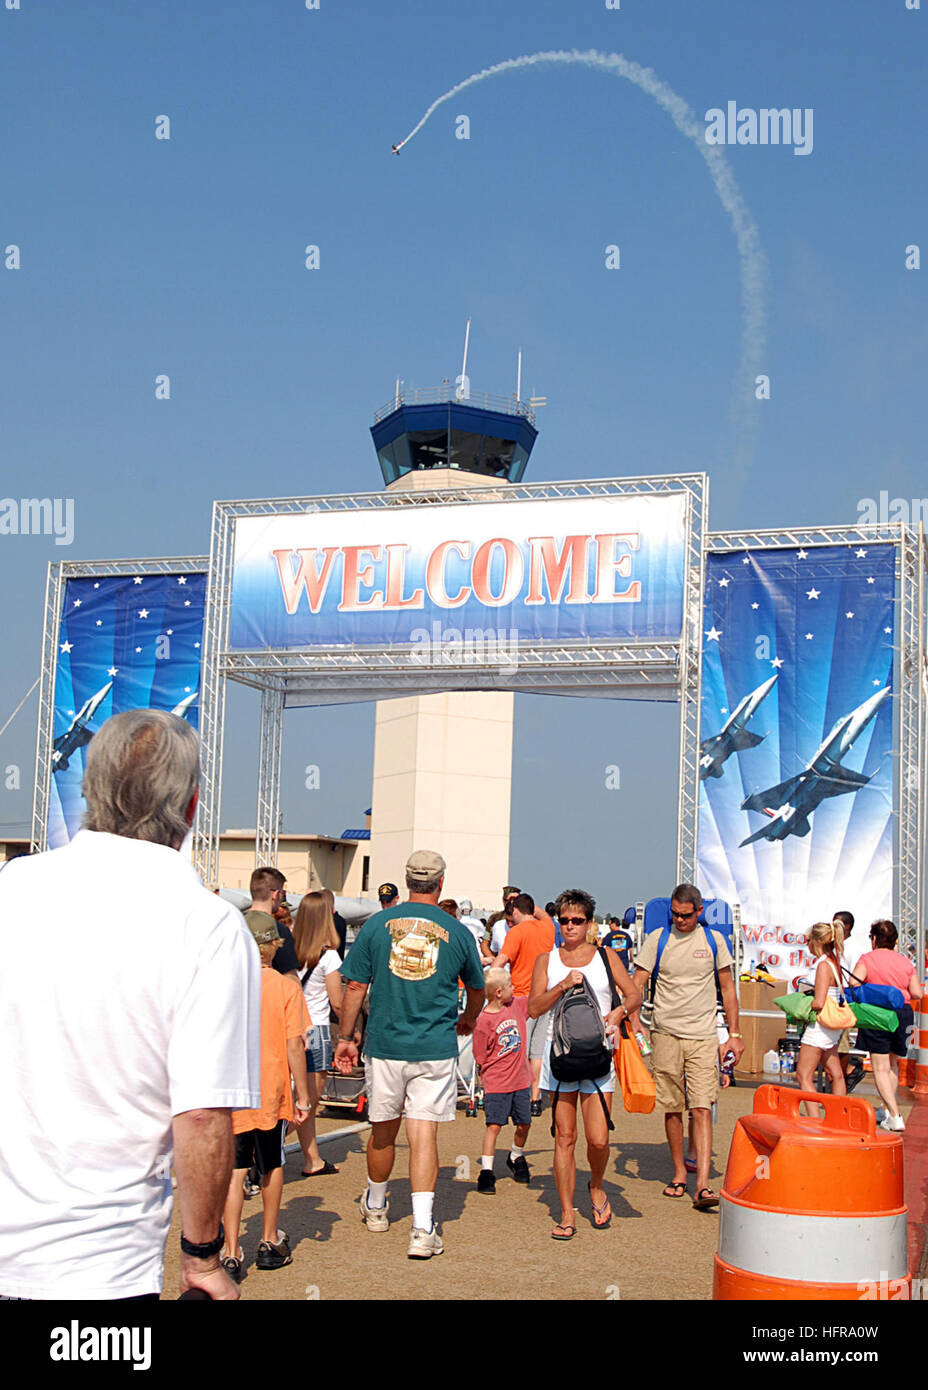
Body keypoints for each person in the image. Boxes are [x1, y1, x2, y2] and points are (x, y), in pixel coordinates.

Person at [0, 709, 261, 1301]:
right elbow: (201, 1115)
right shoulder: (208, 925)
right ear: (192, 807)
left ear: (90, 790)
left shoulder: (12, 887)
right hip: (97, 1265)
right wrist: (201, 1256)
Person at [334, 850, 486, 1258]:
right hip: (433, 1045)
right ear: (441, 883)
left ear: (406, 880)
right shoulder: (457, 931)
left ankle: (378, 1205)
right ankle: (421, 1227)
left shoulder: (378, 925)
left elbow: (354, 986)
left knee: (383, 1129)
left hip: (385, 1043)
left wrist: (346, 1035)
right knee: (423, 1134)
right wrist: (469, 1018)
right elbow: (477, 988)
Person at [529, 889, 640, 1239]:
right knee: (564, 1136)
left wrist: (621, 1011)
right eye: (564, 920)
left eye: (577, 920)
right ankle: (566, 1213)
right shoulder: (547, 960)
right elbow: (533, 1007)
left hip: (597, 1058)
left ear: (590, 923)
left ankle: (595, 1184)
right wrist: (562, 985)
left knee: (599, 1138)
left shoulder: (605, 956)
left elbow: (634, 992)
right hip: (559, 1058)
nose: (570, 927)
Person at [633, 884, 743, 1212]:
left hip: (703, 1035)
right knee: (672, 1106)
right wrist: (634, 1020)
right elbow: (637, 983)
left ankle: (703, 1185)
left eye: (686, 915)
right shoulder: (658, 939)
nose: (679, 920)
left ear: (699, 912)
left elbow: (728, 988)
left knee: (702, 1107)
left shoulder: (714, 941)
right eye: (675, 914)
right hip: (665, 1033)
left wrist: (734, 1034)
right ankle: (679, 1172)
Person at [221, 916, 312, 1279]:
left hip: (231, 1089)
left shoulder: (226, 983)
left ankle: (230, 1250)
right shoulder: (286, 987)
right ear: (273, 945)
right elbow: (294, 1045)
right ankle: (269, 1239)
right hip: (270, 1089)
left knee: (234, 1169)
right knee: (272, 1163)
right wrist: (303, 1095)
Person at [851, 919, 923, 1131]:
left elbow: (855, 982)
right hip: (903, 1013)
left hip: (877, 1014)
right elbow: (917, 992)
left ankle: (894, 1114)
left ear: (874, 939)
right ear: (895, 941)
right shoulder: (905, 962)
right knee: (891, 1065)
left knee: (880, 1067)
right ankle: (886, 1108)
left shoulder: (868, 958)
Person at [291, 890, 345, 1176]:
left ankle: (312, 1158)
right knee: (308, 1102)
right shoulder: (330, 956)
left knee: (298, 1098)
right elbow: (337, 1001)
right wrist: (351, 1030)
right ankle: (259, 1152)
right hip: (318, 1030)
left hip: (291, 1027)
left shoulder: (289, 950)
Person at [472, 967, 533, 1193]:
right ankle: (486, 1171)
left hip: (520, 1079)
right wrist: (490, 1068)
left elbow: (536, 997)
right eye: (509, 986)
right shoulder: (484, 1020)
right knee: (494, 1125)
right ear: (498, 992)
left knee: (524, 1123)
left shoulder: (516, 1005)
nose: (513, 988)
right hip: (497, 1082)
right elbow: (479, 1054)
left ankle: (516, 1155)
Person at [497, 893, 557, 1116]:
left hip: (522, 997)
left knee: (518, 1051)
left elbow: (501, 961)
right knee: (537, 1053)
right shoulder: (547, 928)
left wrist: (492, 982)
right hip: (545, 996)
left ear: (514, 911)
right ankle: (535, 1098)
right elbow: (541, 914)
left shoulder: (516, 932)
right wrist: (524, 901)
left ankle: (519, 1097)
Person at [794, 920, 848, 1099]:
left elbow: (819, 1002)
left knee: (804, 1075)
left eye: (808, 939)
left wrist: (797, 1005)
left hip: (820, 1025)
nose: (807, 943)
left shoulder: (823, 965)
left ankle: (813, 1119)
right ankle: (838, 1113)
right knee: (836, 1073)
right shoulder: (834, 962)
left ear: (817, 941)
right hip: (831, 1026)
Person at [248, 867, 300, 982]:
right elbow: (290, 978)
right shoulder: (278, 930)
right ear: (275, 894)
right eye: (282, 893)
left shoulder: (237, 924)